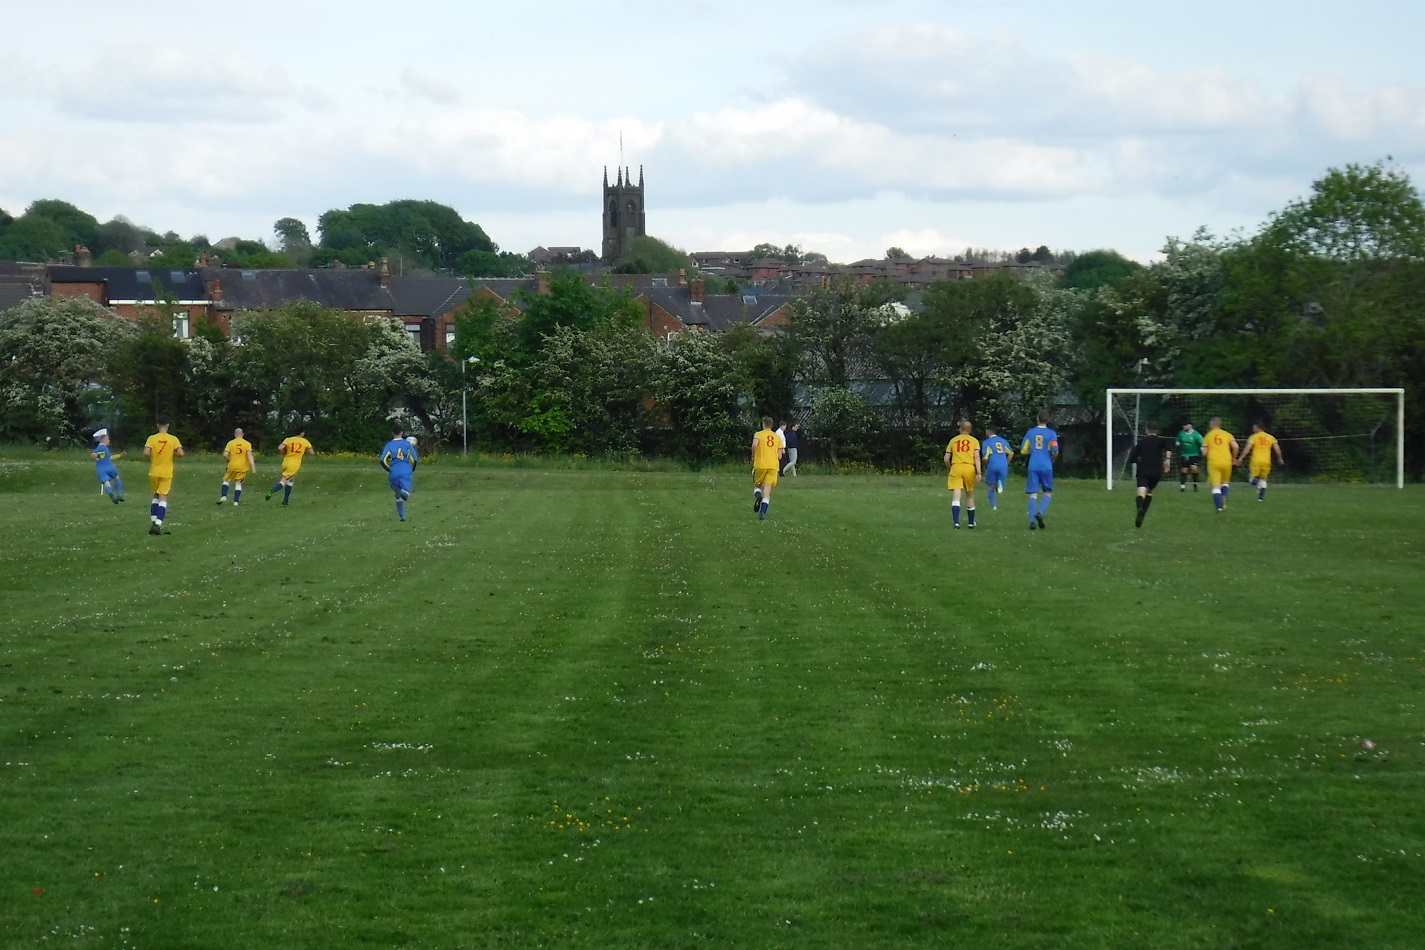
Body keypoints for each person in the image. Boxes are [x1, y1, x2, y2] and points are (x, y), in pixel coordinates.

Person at [1125, 421, 1173, 528]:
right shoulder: (1161, 441)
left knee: (1141, 490)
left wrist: (1137, 460)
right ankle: (1143, 514)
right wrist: (1167, 460)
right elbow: (1169, 447)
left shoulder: (1142, 442)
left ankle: (1140, 508)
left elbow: (1132, 458)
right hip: (1156, 471)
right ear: (1157, 431)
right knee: (1149, 491)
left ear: (1146, 430)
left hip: (1143, 470)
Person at [143, 415, 184, 535]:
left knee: (155, 496)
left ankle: (153, 521)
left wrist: (154, 454)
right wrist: (172, 453)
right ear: (168, 425)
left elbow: (146, 452)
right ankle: (158, 524)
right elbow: (181, 453)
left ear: (157, 425)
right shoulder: (173, 439)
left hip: (154, 471)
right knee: (163, 497)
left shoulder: (152, 438)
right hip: (166, 472)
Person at [1020, 410, 1060, 530]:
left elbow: (1023, 450)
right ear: (1048, 420)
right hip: (1046, 465)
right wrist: (1052, 458)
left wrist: (1032, 451)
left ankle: (1032, 521)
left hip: (1033, 465)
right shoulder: (1051, 433)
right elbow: (1055, 450)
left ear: (1037, 419)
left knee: (1033, 493)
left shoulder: (1030, 432)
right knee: (1047, 492)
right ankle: (1040, 512)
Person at [943, 421, 982, 529]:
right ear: (970, 430)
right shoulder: (974, 441)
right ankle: (971, 522)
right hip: (969, 467)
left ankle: (956, 522)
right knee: (969, 494)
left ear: (960, 429)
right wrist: (979, 472)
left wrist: (950, 468)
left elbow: (946, 459)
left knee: (956, 494)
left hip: (956, 467)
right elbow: (977, 457)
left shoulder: (953, 440)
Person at [380, 424, 419, 521]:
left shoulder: (389, 445)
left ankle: (402, 516)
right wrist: (412, 469)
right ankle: (402, 492)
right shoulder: (407, 444)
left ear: (392, 433)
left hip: (394, 472)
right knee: (405, 494)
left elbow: (382, 460)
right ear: (402, 432)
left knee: (397, 495)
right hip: (405, 471)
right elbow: (415, 459)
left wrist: (389, 469)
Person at [1236, 422, 1284, 501]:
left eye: (1254, 427)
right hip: (1266, 461)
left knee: (1252, 479)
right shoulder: (1271, 437)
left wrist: (1241, 458)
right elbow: (1277, 449)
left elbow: (1247, 449)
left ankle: (1257, 483)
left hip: (1256, 460)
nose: (1253, 429)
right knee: (1264, 479)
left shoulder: (1253, 437)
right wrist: (1280, 458)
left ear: (1258, 428)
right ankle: (1260, 499)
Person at [266, 428, 314, 506]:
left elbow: (280, 447)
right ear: (302, 433)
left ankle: (285, 501)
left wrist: (283, 453)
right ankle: (272, 490)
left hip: (286, 462)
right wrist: (303, 451)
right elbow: (311, 453)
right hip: (294, 464)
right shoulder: (305, 441)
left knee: (291, 480)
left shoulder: (288, 439)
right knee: (284, 481)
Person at [1201, 416, 1239, 512]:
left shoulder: (1208, 435)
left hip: (1214, 462)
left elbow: (1204, 453)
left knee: (1216, 486)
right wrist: (1234, 458)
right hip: (1227, 461)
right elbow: (1236, 446)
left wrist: (1203, 449)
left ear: (1212, 424)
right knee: (1225, 482)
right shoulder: (1227, 434)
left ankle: (1219, 508)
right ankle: (1224, 496)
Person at [751, 416, 782, 521]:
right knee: (767, 491)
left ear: (763, 424)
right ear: (772, 425)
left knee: (757, 485)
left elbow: (755, 445)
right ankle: (763, 512)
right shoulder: (777, 437)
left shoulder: (759, 434)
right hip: (773, 466)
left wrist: (753, 456)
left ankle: (758, 496)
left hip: (761, 464)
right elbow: (780, 456)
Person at [217, 427, 256, 507]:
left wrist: (228, 460)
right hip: (243, 466)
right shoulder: (247, 444)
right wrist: (253, 466)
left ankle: (224, 496)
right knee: (238, 483)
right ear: (242, 434)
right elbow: (249, 455)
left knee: (226, 480)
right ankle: (236, 502)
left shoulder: (230, 443)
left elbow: (225, 454)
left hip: (232, 465)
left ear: (235, 434)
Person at [979, 424, 1014, 510]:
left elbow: (985, 457)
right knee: (1000, 484)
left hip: (992, 465)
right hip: (1003, 465)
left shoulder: (987, 442)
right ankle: (999, 483)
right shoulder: (1003, 441)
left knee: (991, 486)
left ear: (987, 431)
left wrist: (984, 466)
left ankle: (994, 506)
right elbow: (1011, 453)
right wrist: (1006, 463)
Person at [91, 428, 125, 504]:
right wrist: (120, 455)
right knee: (117, 478)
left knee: (106, 482)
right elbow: (109, 457)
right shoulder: (103, 448)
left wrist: (119, 455)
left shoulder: (99, 448)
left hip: (100, 469)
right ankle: (119, 494)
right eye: (108, 439)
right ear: (103, 439)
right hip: (109, 467)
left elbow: (93, 455)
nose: (109, 440)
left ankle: (111, 494)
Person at [1176, 422, 1205, 491]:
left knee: (1194, 468)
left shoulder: (1196, 434)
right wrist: (1177, 443)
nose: (1184, 427)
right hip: (1184, 454)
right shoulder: (1181, 433)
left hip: (1194, 454)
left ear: (1190, 425)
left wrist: (1202, 448)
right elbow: (1177, 440)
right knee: (1184, 470)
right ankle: (1182, 487)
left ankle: (1195, 484)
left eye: (1185, 425)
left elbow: (1203, 442)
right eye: (1183, 425)